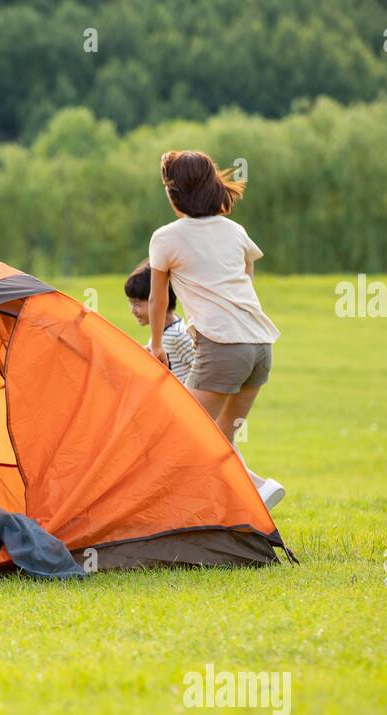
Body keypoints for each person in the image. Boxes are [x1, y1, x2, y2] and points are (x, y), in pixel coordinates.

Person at [146, 149, 285, 510]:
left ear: (173, 192)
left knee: (185, 428)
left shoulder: (166, 237)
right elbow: (246, 281)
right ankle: (235, 508)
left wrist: (157, 345)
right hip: (260, 347)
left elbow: (158, 299)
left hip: (223, 348)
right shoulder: (234, 230)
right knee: (220, 438)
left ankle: (255, 485)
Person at [124, 260, 194, 384]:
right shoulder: (161, 333)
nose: (132, 310)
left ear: (159, 302)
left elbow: (203, 372)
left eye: (137, 304)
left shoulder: (178, 336)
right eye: (130, 303)